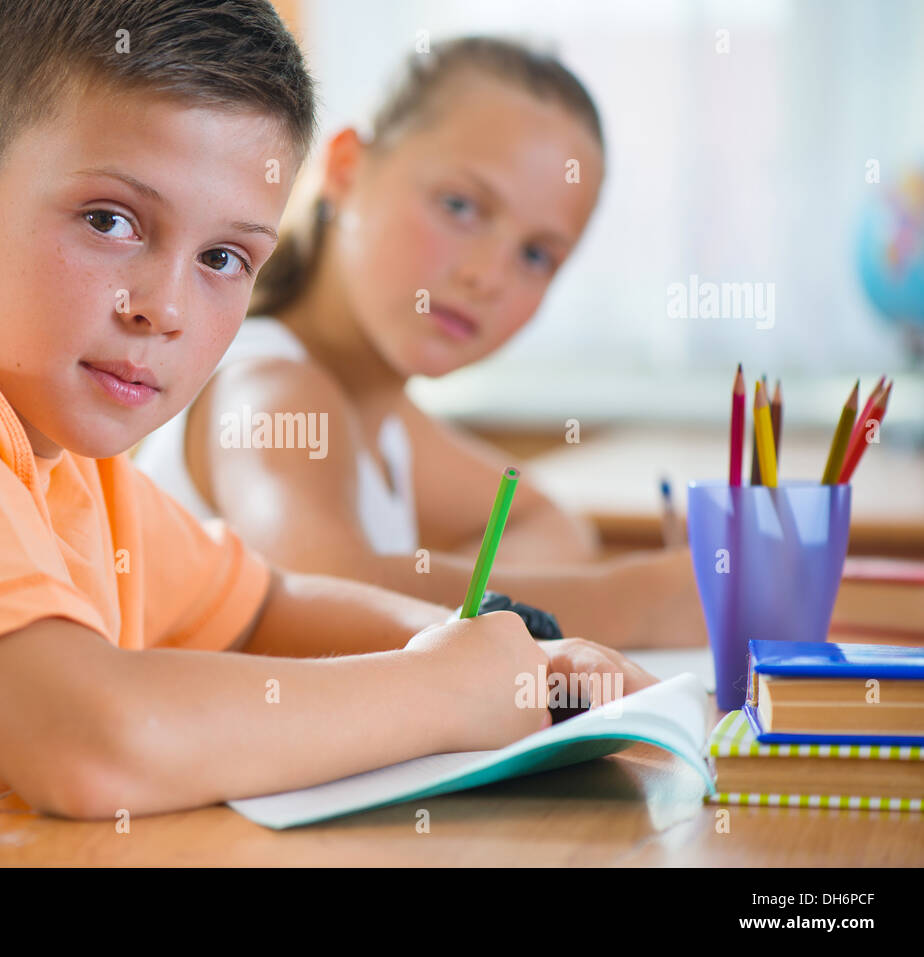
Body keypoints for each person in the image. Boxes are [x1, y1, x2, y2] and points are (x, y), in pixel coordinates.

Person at [0, 3, 656, 867]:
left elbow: (265, 610)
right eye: (111, 221)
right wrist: (439, 690)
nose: (163, 309)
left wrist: (519, 659)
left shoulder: (74, 462)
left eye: (221, 257)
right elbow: (91, 745)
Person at [135, 37, 708, 650]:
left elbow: (550, 524)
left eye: (536, 254)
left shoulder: (385, 418)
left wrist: (457, 592)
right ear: (347, 169)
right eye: (460, 206)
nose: (487, 276)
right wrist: (641, 598)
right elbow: (324, 594)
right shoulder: (270, 387)